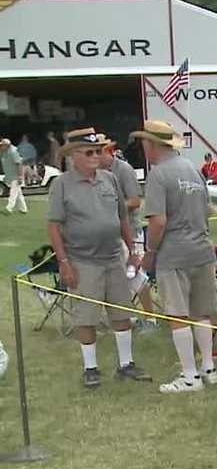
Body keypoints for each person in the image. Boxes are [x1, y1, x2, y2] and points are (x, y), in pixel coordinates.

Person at [46, 127, 152, 387]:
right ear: (75, 156)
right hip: (82, 261)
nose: (96, 156)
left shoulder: (109, 179)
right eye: (90, 152)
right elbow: (53, 227)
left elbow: (122, 217)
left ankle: (126, 364)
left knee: (121, 313)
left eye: (98, 151)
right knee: (86, 316)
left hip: (114, 257)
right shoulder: (61, 185)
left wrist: (133, 251)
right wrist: (64, 263)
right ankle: (90, 368)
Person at [135, 120, 217, 393]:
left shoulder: (158, 175)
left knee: (178, 314)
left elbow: (158, 221)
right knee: (202, 312)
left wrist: (150, 253)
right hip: (202, 250)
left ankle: (189, 376)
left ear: (153, 144)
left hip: (174, 254)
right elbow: (209, 210)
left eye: (144, 142)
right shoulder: (193, 170)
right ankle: (208, 368)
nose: (142, 147)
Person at [99, 136, 158, 329]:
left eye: (98, 151)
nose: (94, 156)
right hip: (109, 234)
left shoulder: (124, 170)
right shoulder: (96, 173)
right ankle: (125, 318)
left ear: (108, 151)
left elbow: (134, 201)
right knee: (116, 278)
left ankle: (150, 319)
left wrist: (109, 208)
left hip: (130, 233)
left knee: (135, 275)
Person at [1, 138, 28, 215]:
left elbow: (19, 164)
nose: (1, 147)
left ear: (7, 146)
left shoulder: (13, 152)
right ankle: (23, 209)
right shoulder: (4, 152)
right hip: (10, 175)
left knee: (13, 192)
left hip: (16, 175)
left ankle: (9, 208)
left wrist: (20, 176)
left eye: (2, 145)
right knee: (18, 193)